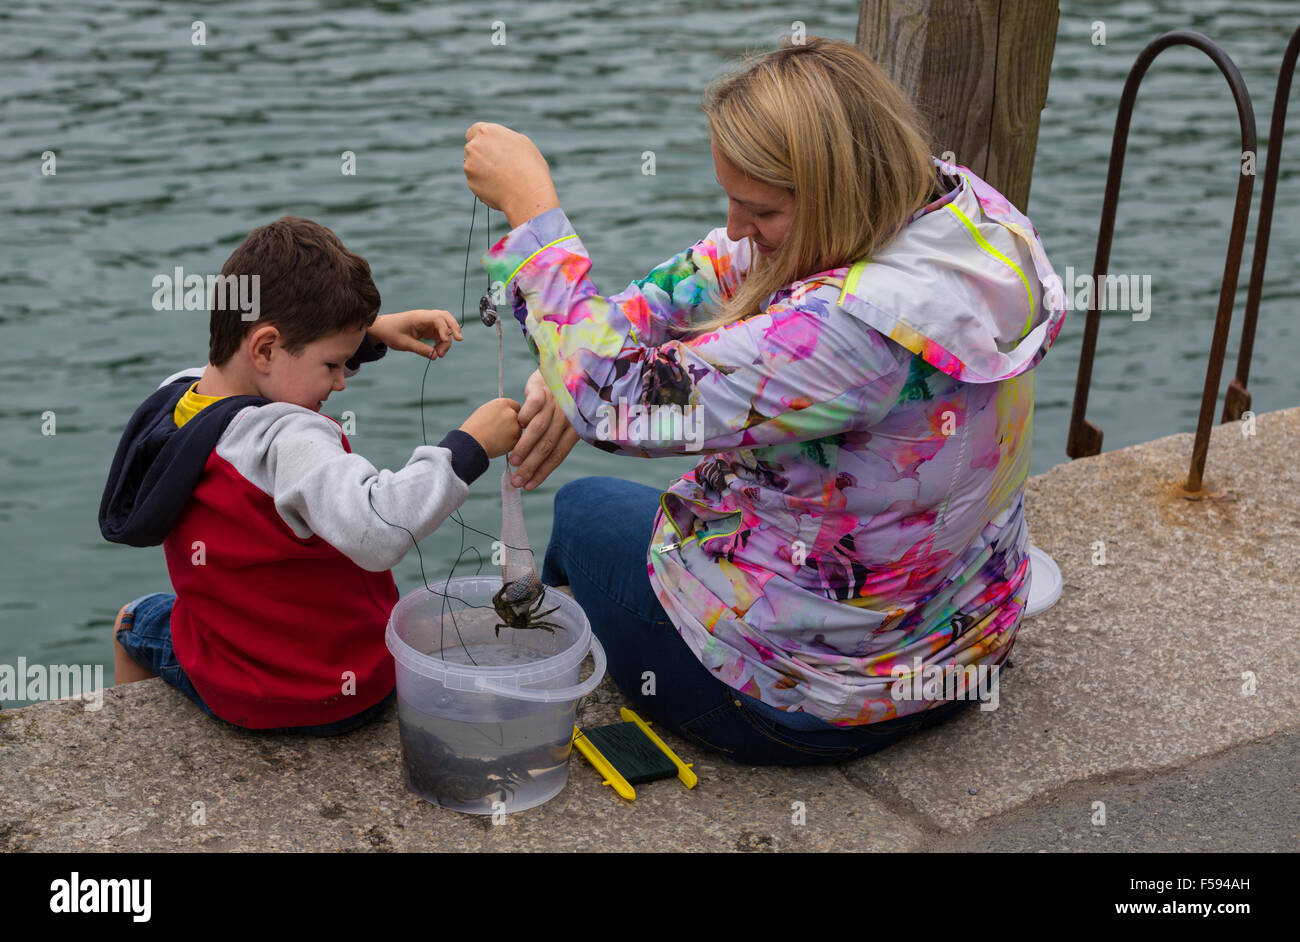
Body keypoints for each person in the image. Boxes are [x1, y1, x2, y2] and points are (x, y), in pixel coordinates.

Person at [463, 36, 1067, 765]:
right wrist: (586, 348)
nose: (737, 223)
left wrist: (535, 221)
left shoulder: (847, 335)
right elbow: (727, 264)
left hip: (807, 698)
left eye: (758, 207)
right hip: (967, 646)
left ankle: (547, 675)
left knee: (585, 510)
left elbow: (611, 404)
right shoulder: (971, 219)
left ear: (831, 194)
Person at [99, 215, 567, 734]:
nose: (341, 382)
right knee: (136, 620)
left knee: (135, 618)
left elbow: (260, 367)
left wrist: (363, 336)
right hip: (346, 691)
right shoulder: (289, 439)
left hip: (246, 687)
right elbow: (379, 528)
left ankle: (136, 747)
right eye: (332, 365)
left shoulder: (175, 403)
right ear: (266, 348)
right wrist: (469, 446)